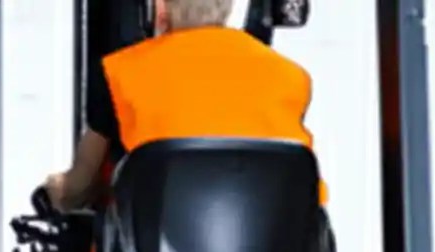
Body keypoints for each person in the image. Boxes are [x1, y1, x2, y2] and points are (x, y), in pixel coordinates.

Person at [42, 0, 324, 212]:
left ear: (160, 9)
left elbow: (80, 188)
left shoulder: (118, 73)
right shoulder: (292, 78)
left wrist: (54, 191)